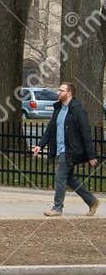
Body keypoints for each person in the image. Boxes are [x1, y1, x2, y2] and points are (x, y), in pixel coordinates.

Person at [32, 81, 99, 217]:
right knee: (69, 179)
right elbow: (50, 129)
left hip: (70, 150)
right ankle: (92, 201)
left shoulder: (77, 109)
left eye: (61, 90)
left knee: (60, 177)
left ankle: (57, 208)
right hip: (60, 149)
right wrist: (40, 145)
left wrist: (91, 156)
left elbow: (85, 132)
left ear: (69, 93)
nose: (58, 93)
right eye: (59, 90)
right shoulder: (58, 108)